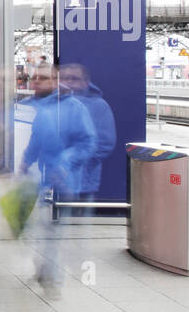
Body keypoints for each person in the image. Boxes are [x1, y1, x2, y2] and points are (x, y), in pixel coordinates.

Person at [18, 63, 94, 291]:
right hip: (40, 179)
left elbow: (87, 143)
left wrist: (65, 162)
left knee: (52, 229)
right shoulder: (40, 108)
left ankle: (52, 277)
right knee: (36, 229)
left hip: (63, 181)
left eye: (43, 78)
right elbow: (36, 139)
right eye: (35, 78)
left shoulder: (75, 108)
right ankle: (44, 267)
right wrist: (24, 163)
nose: (37, 81)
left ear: (55, 81)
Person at [59, 62, 117, 210]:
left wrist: (77, 165)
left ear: (86, 82)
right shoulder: (54, 104)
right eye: (64, 78)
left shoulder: (99, 106)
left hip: (84, 182)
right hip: (54, 181)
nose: (68, 82)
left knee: (78, 223)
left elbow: (104, 144)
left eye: (74, 78)